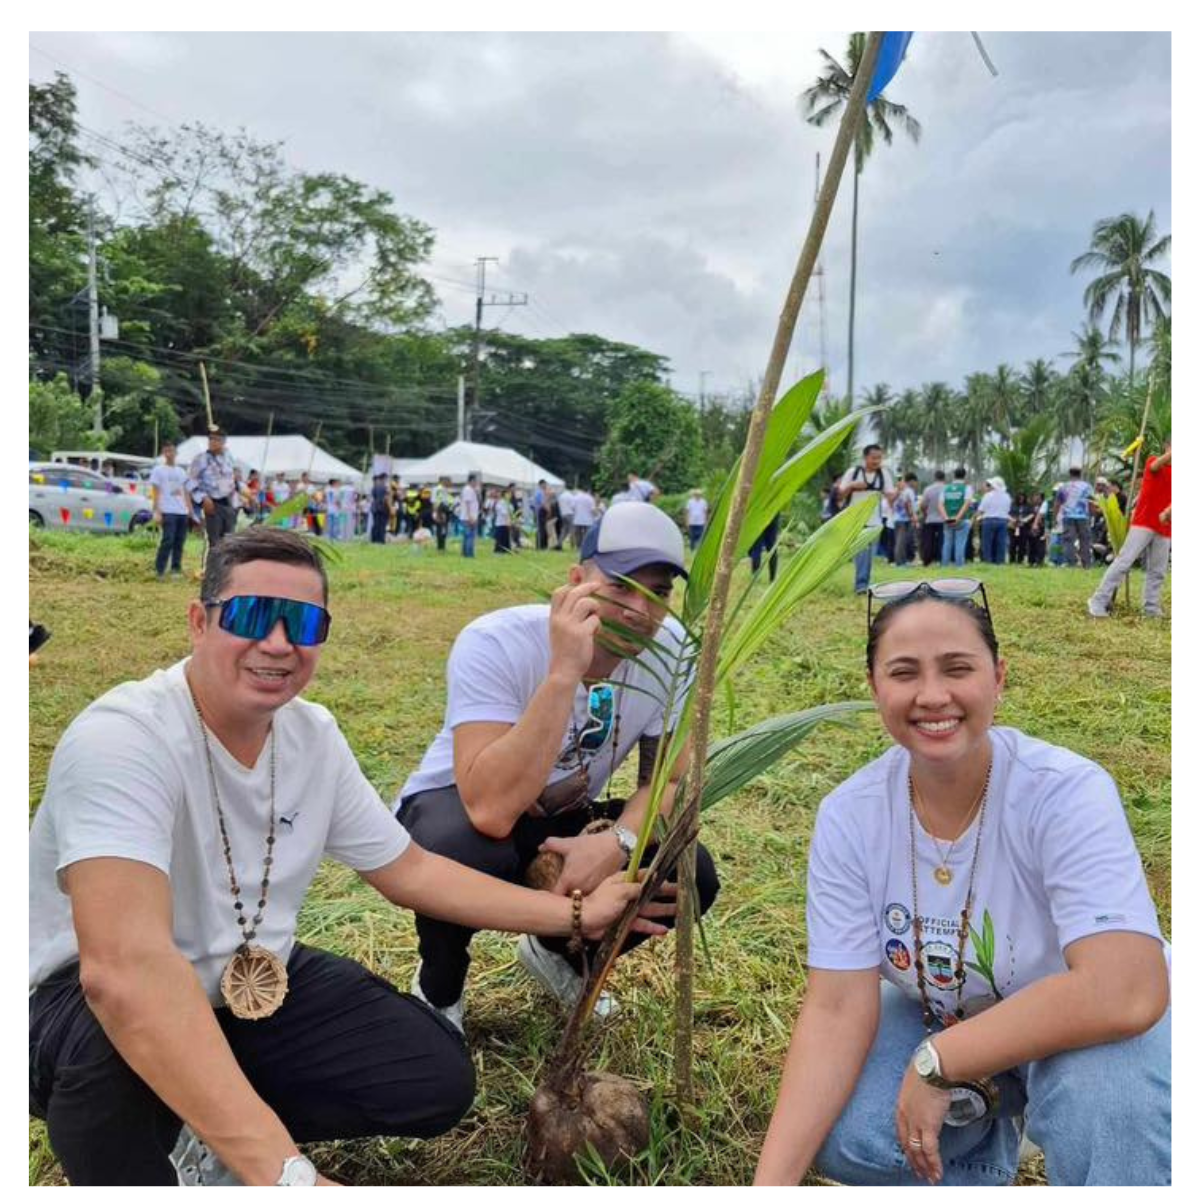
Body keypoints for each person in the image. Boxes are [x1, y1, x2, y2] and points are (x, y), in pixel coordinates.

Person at [28, 528, 663, 1187]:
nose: (277, 644)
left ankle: (211, 1116)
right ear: (198, 621)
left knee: (432, 1073)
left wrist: (571, 916)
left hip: (242, 983)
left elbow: (410, 870)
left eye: (302, 624)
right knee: (113, 1059)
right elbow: (122, 972)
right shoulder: (123, 739)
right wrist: (289, 1176)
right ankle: (197, 1137)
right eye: (249, 616)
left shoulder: (311, 736)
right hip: (77, 1006)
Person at [754, 579, 1170, 1187]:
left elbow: (1126, 991)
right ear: (873, 688)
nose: (932, 695)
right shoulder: (850, 815)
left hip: (1090, 1029)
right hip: (946, 1010)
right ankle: (986, 1146)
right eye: (903, 673)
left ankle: (1061, 1112)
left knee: (1114, 1111)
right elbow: (837, 1007)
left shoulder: (1065, 792)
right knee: (849, 1126)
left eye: (957, 668)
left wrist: (938, 1062)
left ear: (999, 677)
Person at [393, 503, 719, 1030]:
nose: (640, 609)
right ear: (576, 581)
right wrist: (566, 670)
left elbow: (669, 780)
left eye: (658, 592)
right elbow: (491, 810)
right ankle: (440, 986)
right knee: (458, 847)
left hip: (565, 816)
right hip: (464, 807)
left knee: (688, 873)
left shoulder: (673, 654)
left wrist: (617, 844)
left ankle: (556, 953)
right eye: (620, 586)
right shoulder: (496, 642)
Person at [1089, 443, 1171, 618]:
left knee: (1157, 571)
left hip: (1165, 527)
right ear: (1167, 446)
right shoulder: (1153, 462)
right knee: (1124, 562)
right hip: (1144, 523)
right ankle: (1098, 601)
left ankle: (1151, 609)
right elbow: (1157, 466)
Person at [838, 445, 897, 594]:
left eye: (879, 458)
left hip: (875, 521)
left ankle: (863, 583)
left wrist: (898, 490)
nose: (877, 461)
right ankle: (861, 585)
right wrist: (852, 486)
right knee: (862, 552)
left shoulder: (884, 474)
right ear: (865, 458)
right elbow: (839, 496)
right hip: (855, 520)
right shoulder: (853, 473)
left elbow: (890, 497)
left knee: (869, 555)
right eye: (873, 458)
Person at [187, 426, 238, 550]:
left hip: (229, 504)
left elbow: (233, 478)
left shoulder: (228, 458)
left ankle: (225, 569)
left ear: (223, 442)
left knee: (229, 542)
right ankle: (213, 568)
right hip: (213, 504)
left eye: (216, 439)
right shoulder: (201, 459)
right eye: (210, 439)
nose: (212, 442)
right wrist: (203, 498)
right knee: (215, 544)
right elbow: (191, 482)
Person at [150, 441, 190, 579]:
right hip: (167, 509)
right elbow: (155, 492)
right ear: (163, 453)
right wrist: (156, 511)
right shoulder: (158, 470)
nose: (169, 454)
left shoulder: (181, 471)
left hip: (181, 510)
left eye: (172, 451)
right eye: (166, 451)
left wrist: (189, 509)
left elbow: (186, 491)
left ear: (176, 453)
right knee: (168, 539)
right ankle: (159, 569)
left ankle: (175, 568)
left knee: (180, 541)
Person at [1054, 468, 1094, 569]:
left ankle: (1071, 563)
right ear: (1080, 474)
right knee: (1084, 540)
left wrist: (1055, 516)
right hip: (1083, 516)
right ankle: (1086, 563)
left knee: (1068, 540)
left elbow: (1057, 503)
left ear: (1070, 474)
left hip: (1068, 516)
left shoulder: (1064, 487)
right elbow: (1091, 502)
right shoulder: (1087, 486)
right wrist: (1092, 514)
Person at [938, 468, 974, 568]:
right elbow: (966, 504)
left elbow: (940, 505)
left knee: (947, 543)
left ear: (954, 475)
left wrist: (946, 518)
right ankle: (959, 566)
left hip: (947, 519)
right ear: (965, 476)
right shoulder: (967, 488)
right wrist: (957, 518)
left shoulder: (945, 488)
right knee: (960, 543)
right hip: (962, 520)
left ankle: (944, 565)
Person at [977, 477, 1012, 565]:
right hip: (1002, 521)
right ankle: (1000, 561)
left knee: (987, 543)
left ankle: (988, 561)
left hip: (989, 520)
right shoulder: (1007, 496)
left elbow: (981, 510)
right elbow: (1007, 510)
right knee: (1001, 543)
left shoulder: (988, 495)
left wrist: (977, 518)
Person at [919, 471, 947, 567]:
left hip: (930, 519)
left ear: (934, 477)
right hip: (943, 519)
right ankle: (941, 560)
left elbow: (922, 505)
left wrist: (925, 514)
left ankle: (927, 561)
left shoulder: (928, 489)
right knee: (942, 541)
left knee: (928, 541)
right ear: (944, 478)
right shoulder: (946, 489)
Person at [890, 475, 919, 566]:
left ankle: (903, 560)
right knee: (901, 542)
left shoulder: (896, 490)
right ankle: (900, 562)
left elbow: (891, 502)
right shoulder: (908, 491)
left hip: (896, 519)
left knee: (901, 541)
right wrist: (913, 517)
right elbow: (909, 505)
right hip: (904, 519)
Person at [749, 513, 781, 583]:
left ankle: (755, 576)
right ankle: (773, 578)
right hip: (774, 514)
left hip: (759, 515)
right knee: (772, 548)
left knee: (756, 547)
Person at [459, 472, 481, 558]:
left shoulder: (470, 489)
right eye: (476, 481)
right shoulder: (468, 489)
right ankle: (469, 554)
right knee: (470, 536)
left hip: (469, 516)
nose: (477, 483)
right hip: (469, 517)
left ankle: (464, 553)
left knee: (467, 536)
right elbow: (467, 504)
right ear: (472, 481)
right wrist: (470, 517)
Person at [571, 483, 597, 549]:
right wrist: (595, 515)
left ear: (581, 490)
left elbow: (573, 508)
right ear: (588, 490)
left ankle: (578, 546)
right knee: (587, 534)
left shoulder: (576, 497)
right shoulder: (590, 498)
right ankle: (585, 546)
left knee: (578, 534)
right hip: (588, 520)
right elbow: (593, 510)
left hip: (577, 519)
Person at [557, 485, 575, 549]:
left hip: (563, 514)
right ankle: (572, 545)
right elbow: (573, 506)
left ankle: (559, 543)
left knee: (564, 530)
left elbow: (559, 506)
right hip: (570, 514)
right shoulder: (571, 496)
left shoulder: (561, 496)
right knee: (572, 530)